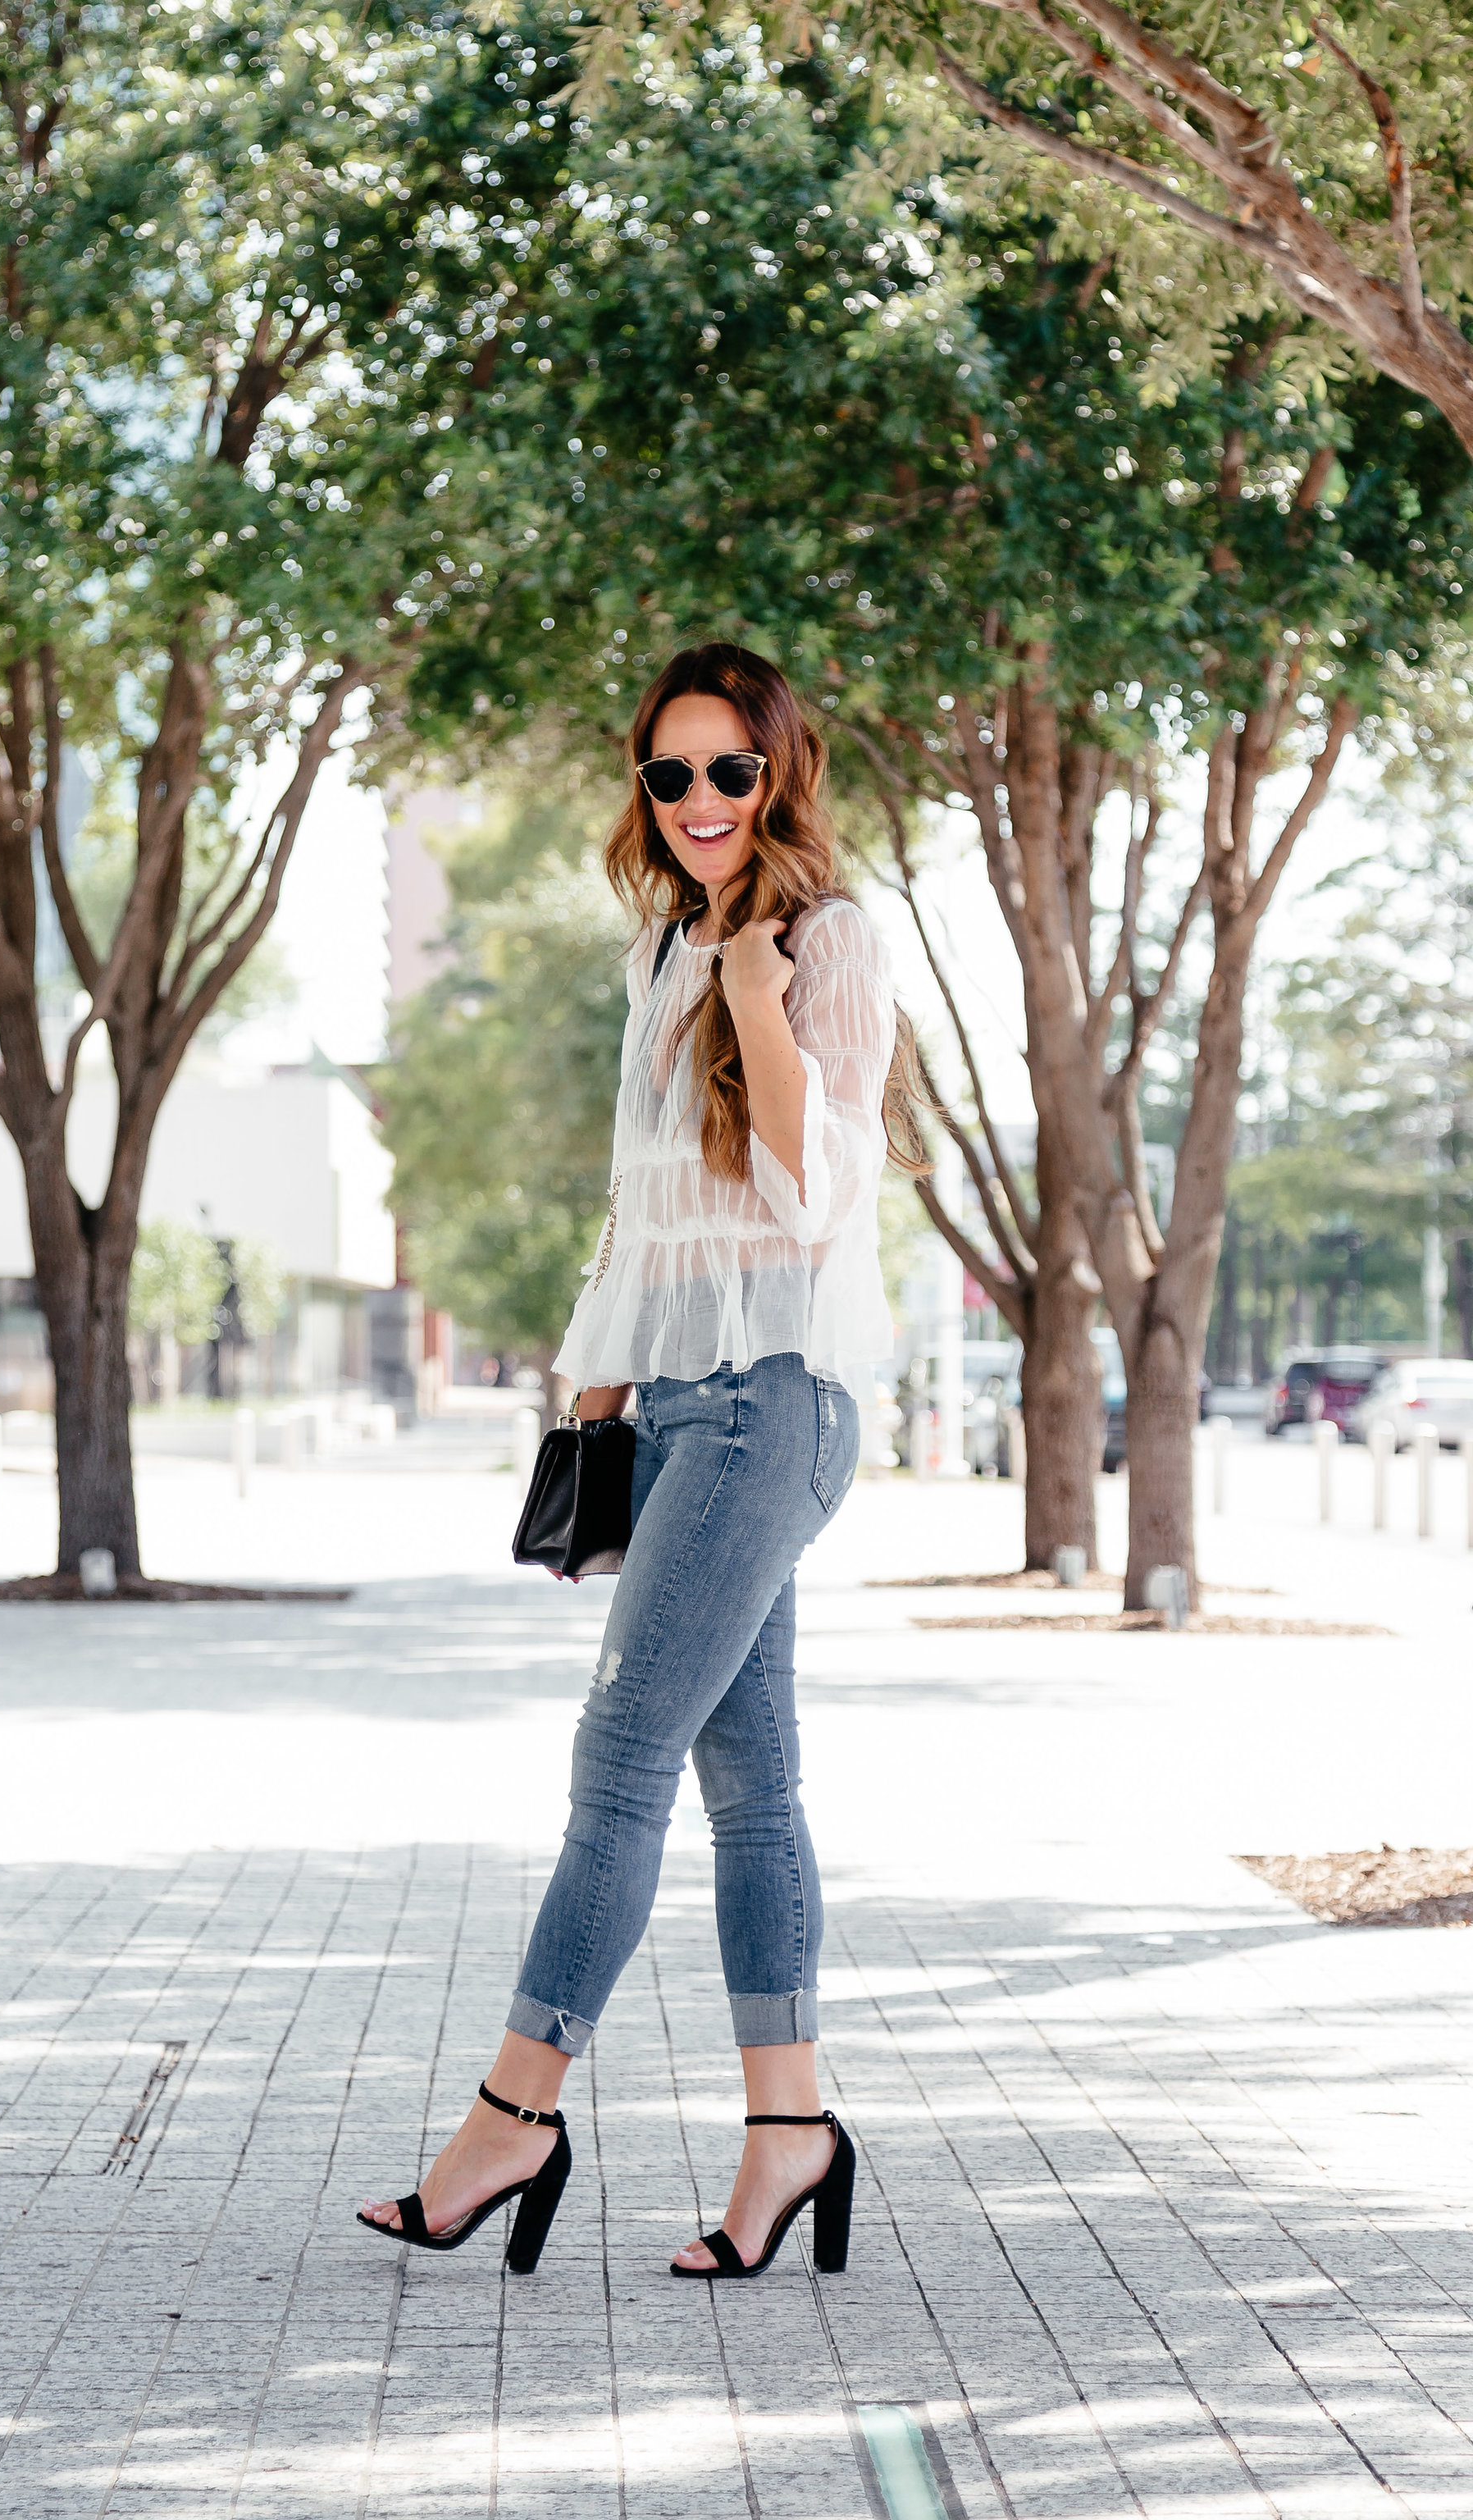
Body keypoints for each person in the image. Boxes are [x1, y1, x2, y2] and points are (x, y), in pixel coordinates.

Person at [359, 642, 920, 2280]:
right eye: (668, 775)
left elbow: (821, 1203)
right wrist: (592, 1400)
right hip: (672, 1410)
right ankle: (788, 2140)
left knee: (616, 1766)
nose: (696, 803)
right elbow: (641, 1203)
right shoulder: (653, 954)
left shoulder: (830, 941)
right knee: (754, 1792)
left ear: (781, 776)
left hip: (777, 1401)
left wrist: (762, 998)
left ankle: (512, 2120)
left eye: (727, 773)